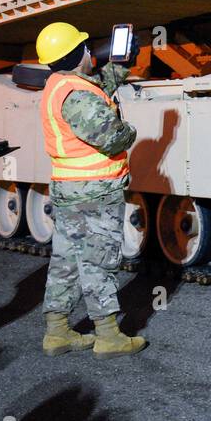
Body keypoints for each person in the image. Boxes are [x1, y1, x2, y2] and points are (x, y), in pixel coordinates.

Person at [36, 21, 147, 358]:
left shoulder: (62, 84)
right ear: (77, 53)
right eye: (85, 47)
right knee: (99, 261)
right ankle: (109, 336)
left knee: (67, 260)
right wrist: (129, 130)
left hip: (73, 191)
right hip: (93, 193)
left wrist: (122, 64)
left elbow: (100, 86)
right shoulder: (75, 94)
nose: (90, 51)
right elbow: (111, 136)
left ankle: (57, 332)